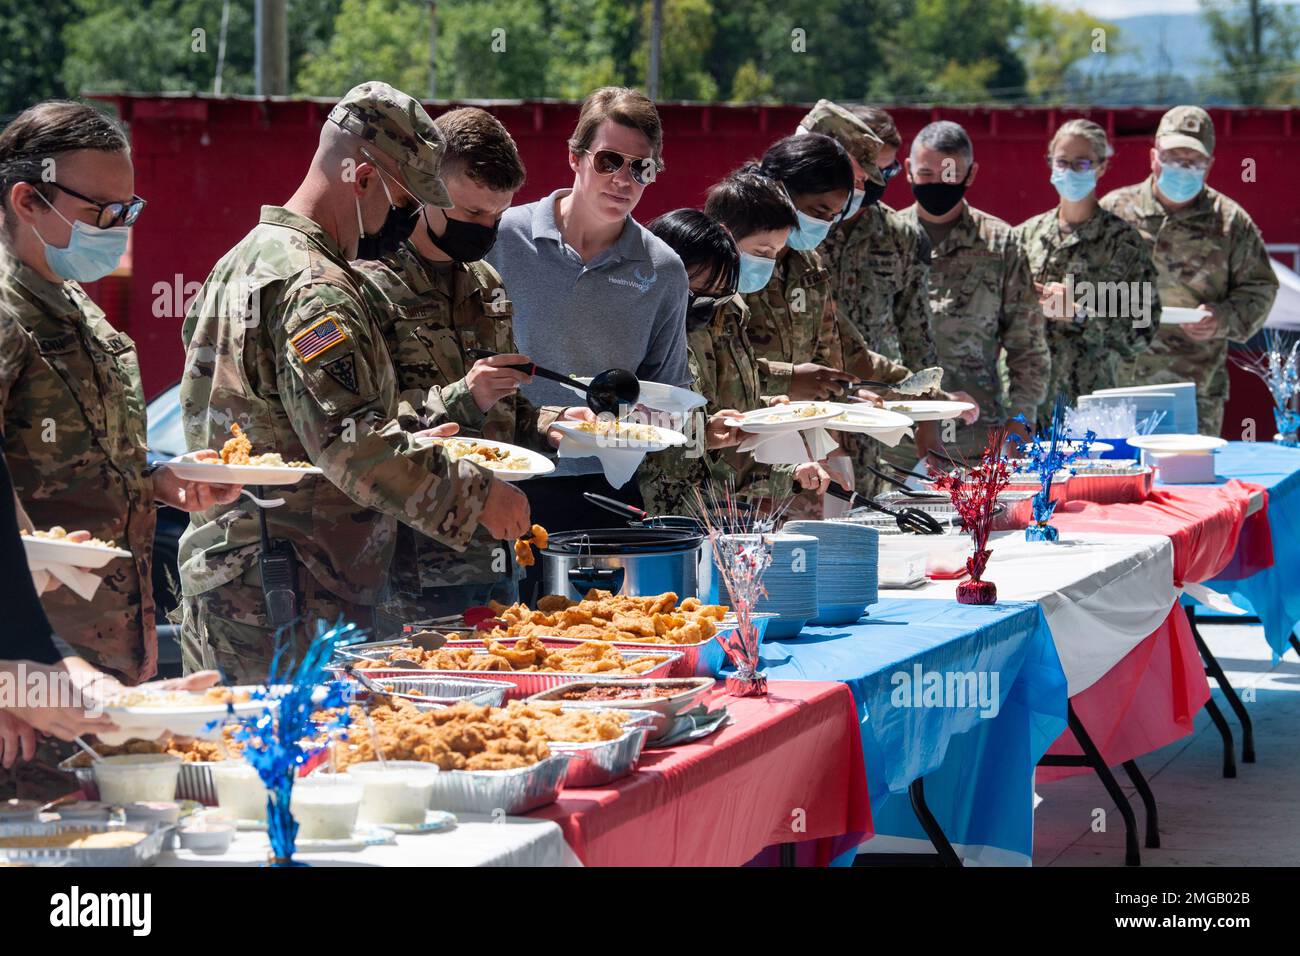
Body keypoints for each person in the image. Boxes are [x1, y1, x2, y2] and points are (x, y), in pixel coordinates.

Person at [179, 82, 531, 681]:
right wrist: (478, 496)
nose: (409, 218)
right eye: (405, 199)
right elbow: (352, 446)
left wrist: (415, 432)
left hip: (246, 575)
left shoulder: (241, 260)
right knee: (304, 762)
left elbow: (287, 419)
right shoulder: (318, 289)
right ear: (363, 179)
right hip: (291, 586)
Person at [0, 100, 240, 689]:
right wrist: (21, 663)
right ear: (28, 200)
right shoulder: (7, 314)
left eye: (128, 208)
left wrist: (156, 478)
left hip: (108, 654)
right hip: (37, 666)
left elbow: (77, 456)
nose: (119, 228)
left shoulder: (74, 301)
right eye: (103, 210)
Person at [353, 107, 589, 626]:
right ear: (425, 193)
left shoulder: (486, 283)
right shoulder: (367, 285)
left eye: (496, 217)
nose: (485, 229)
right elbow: (358, 434)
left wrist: (549, 426)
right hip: (408, 562)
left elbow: (502, 413)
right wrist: (466, 396)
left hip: (496, 552)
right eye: (471, 214)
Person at [486, 87, 691, 532]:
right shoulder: (500, 237)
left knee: (607, 606)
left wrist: (636, 422)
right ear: (575, 158)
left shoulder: (663, 270)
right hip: (502, 475)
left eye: (641, 168)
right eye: (608, 161)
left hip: (603, 488)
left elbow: (671, 393)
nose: (623, 179)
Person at [801, 100, 977, 482]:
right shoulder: (801, 228)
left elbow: (918, 336)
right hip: (801, 409)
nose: (875, 182)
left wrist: (929, 427)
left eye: (887, 171)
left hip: (872, 411)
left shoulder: (903, 237)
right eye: (867, 172)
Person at [641, 207, 833, 514]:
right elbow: (623, 430)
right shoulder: (634, 335)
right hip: (653, 519)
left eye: (719, 296)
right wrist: (702, 434)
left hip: (709, 513)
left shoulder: (708, 325)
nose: (709, 306)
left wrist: (785, 467)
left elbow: (717, 420)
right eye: (699, 293)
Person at [1100, 106, 1279, 437]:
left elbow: (1261, 289)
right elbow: (1080, 281)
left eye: (1192, 161)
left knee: (1187, 485)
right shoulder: (1114, 211)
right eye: (1172, 157)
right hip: (1116, 386)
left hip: (1194, 394)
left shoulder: (1230, 222)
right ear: (1153, 157)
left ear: (1209, 165)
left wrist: (1221, 317)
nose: (1181, 168)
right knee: (1115, 483)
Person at [899, 120, 1050, 457]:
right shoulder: (887, 240)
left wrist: (1022, 418)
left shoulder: (1000, 243)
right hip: (897, 442)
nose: (938, 184)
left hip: (978, 440)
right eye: (927, 174)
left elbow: (1027, 344)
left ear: (971, 174)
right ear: (908, 170)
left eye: (950, 176)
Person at [1016, 119, 1161, 419]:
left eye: (1082, 164)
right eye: (1062, 162)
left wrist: (1080, 314)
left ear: (1101, 168)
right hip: (1026, 407)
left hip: (1092, 411)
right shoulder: (1024, 237)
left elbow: (1142, 332)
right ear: (1050, 164)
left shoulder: (1125, 244)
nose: (1069, 171)